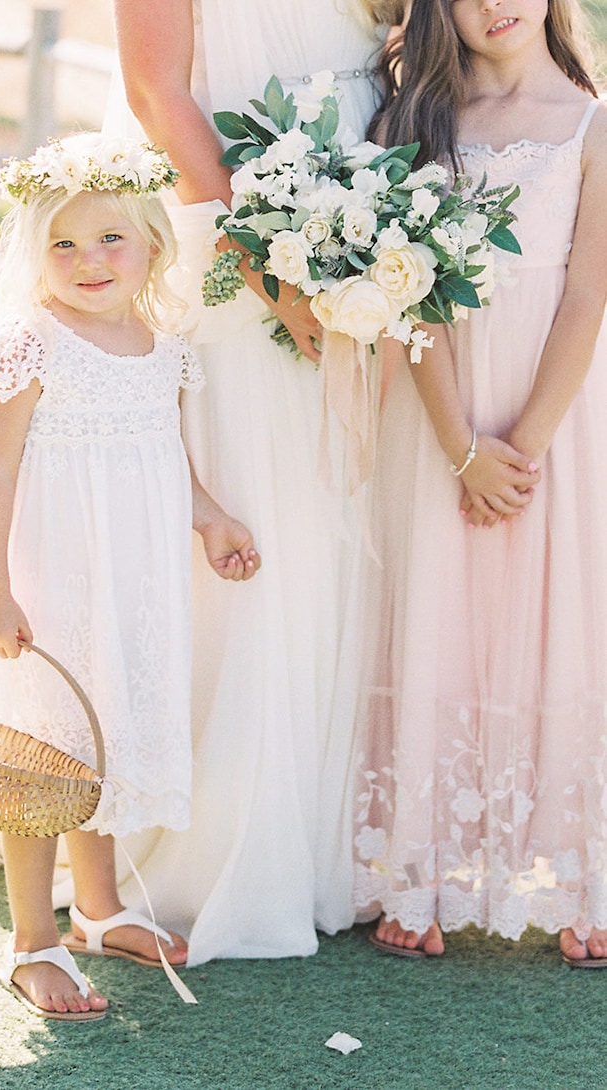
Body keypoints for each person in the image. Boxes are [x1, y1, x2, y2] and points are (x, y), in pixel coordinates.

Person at [0, 131, 257, 1019]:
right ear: (34, 252)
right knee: (42, 756)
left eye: (110, 239)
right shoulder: (26, 344)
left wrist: (210, 516)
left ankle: (97, 910)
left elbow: (163, 454)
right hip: (47, 583)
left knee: (107, 736)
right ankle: (32, 942)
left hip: (132, 582)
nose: (88, 260)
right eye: (63, 242)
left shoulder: (162, 342)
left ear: (151, 245)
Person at [100, 0, 397, 964]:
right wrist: (272, 257)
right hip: (233, 228)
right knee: (261, 503)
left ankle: (326, 836)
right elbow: (155, 87)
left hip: (363, 232)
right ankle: (223, 837)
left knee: (338, 517)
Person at [352, 0, 607, 962]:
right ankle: (419, 870)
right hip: (445, 414)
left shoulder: (594, 123)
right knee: (445, 614)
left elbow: (588, 294)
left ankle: (583, 873)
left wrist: (521, 449)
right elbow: (401, 289)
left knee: (564, 617)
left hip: (558, 419)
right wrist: (461, 446)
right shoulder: (413, 126)